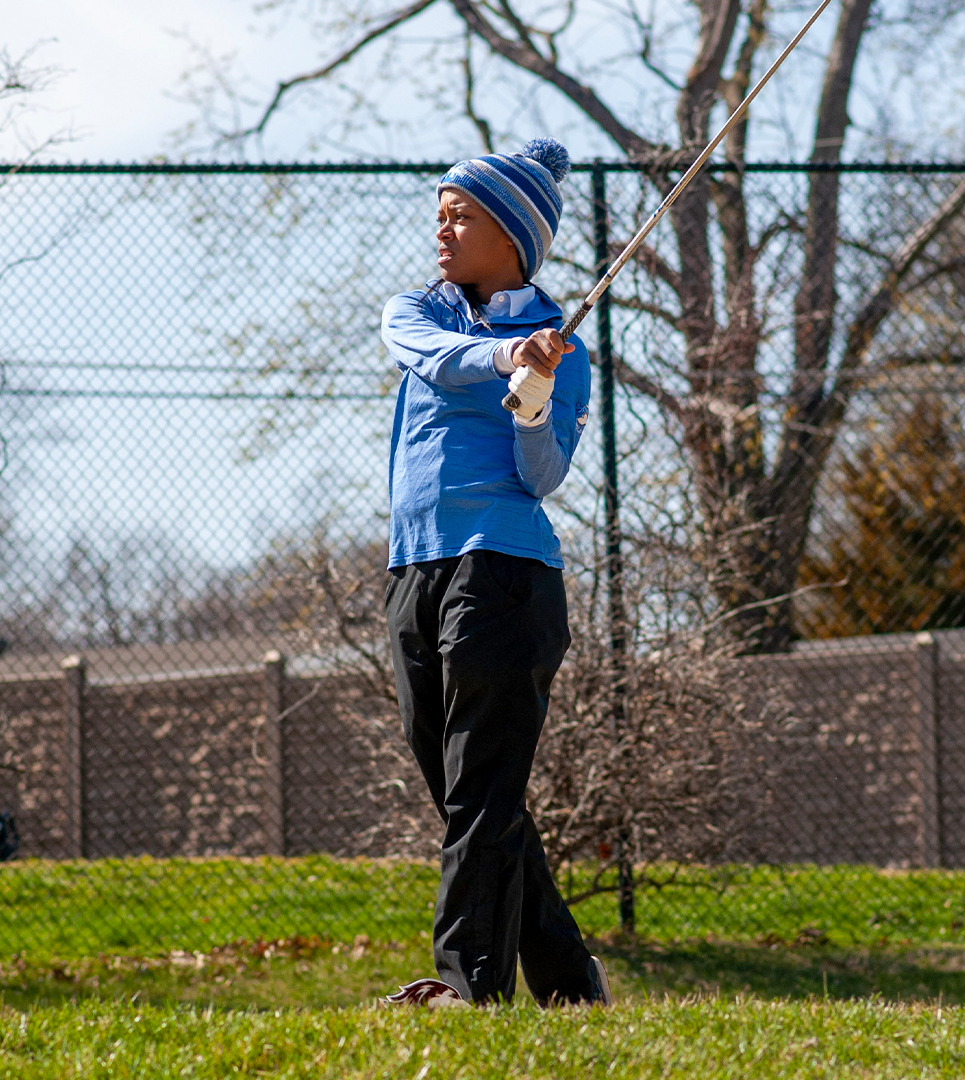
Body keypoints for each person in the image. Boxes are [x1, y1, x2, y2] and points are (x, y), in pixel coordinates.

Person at [377, 138, 609, 1008]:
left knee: (481, 790)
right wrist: (510, 358)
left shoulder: (564, 348)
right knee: (470, 793)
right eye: (440, 208)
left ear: (512, 234)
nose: (443, 223)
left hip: (503, 573)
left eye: (462, 212)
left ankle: (468, 990)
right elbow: (436, 358)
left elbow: (543, 474)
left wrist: (538, 394)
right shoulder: (416, 311)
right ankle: (569, 985)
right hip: (413, 569)